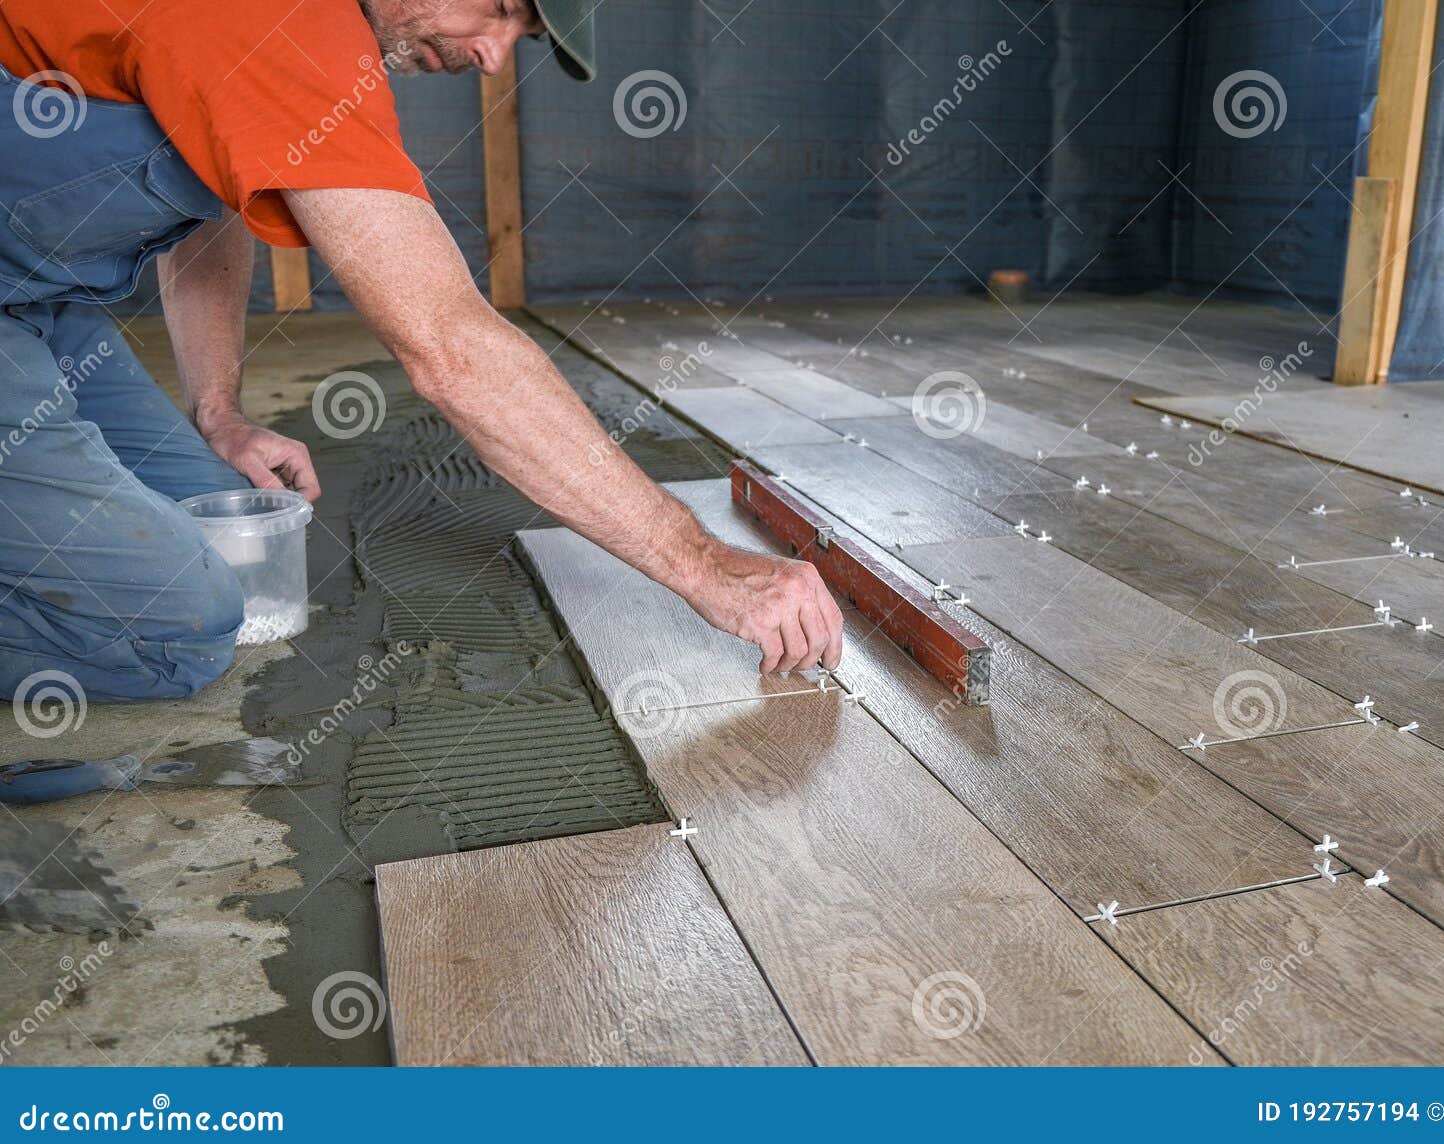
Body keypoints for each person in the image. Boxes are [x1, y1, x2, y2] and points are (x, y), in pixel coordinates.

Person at [0, 0, 844, 702]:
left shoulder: (323, 51)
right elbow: (451, 348)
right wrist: (703, 563)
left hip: (39, 305)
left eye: (522, 39)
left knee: (224, 513)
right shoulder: (290, 28)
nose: (491, 54)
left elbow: (217, 188)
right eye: (505, 10)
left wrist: (217, 411)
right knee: (180, 626)